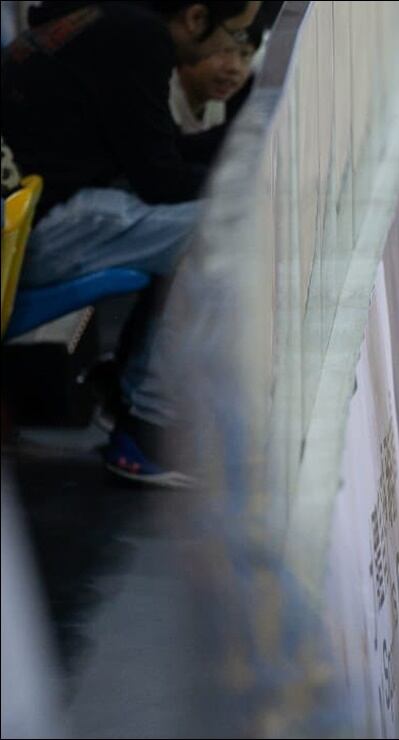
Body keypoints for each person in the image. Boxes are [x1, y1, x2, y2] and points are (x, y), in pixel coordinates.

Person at [1, 1, 261, 485]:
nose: (232, 52)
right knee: (228, 227)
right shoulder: (140, 38)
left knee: (211, 215)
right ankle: (148, 426)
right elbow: (160, 180)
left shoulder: (111, 16)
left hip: (30, 210)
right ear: (196, 17)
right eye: (232, 35)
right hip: (30, 230)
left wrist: (241, 146)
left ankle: (123, 390)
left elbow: (153, 151)